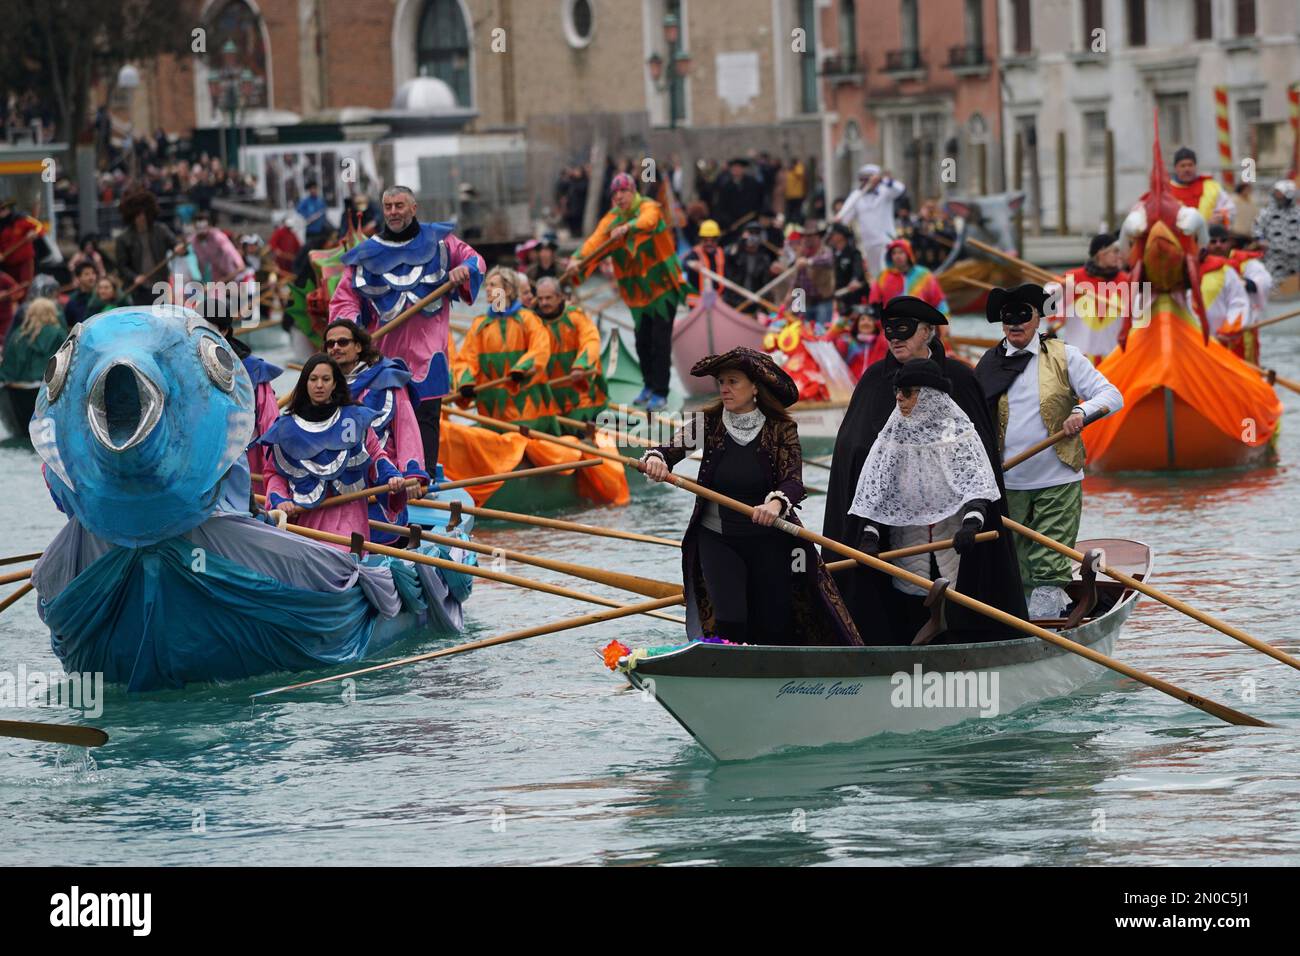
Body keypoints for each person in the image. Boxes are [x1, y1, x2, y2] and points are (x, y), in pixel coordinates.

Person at [823, 295, 1028, 638]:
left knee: (957, 587)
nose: (894, 338)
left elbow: (978, 460)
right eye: (888, 330)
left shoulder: (959, 379)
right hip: (894, 526)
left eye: (904, 329)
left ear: (929, 332)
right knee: (897, 594)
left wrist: (971, 511)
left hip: (953, 521)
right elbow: (854, 452)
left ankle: (971, 640)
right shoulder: (875, 381)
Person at [641, 347, 862, 647]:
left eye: (733, 381)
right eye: (721, 382)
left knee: (775, 621)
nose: (725, 389)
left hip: (770, 538)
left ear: (755, 386)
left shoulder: (782, 428)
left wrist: (775, 503)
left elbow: (793, 482)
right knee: (732, 619)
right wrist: (656, 460)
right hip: (717, 538)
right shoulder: (708, 423)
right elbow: (668, 451)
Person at [973, 283, 1123, 619]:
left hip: (1057, 478)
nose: (1015, 323)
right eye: (1008, 316)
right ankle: (1018, 622)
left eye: (1023, 315)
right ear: (1001, 323)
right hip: (1008, 482)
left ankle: (1044, 621)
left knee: (1048, 566)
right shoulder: (988, 364)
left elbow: (1113, 396)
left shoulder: (1064, 355)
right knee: (1013, 564)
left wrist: (1081, 413)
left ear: (1038, 317)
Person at [847, 359, 1005, 643]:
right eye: (897, 390)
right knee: (911, 613)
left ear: (929, 396)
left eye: (907, 392)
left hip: (952, 546)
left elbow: (977, 487)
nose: (898, 397)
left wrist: (971, 525)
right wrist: (869, 537)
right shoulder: (892, 435)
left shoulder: (959, 434)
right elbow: (877, 494)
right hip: (907, 549)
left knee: (955, 617)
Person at [329, 184, 484, 469]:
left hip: (429, 355)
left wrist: (467, 270)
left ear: (413, 208)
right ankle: (387, 475)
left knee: (426, 418)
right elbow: (344, 299)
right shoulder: (366, 254)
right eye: (388, 207)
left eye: (399, 206)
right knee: (383, 418)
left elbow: (476, 261)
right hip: (383, 357)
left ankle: (423, 477)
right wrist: (349, 329)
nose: (393, 212)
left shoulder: (442, 242)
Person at [259, 353, 408, 551]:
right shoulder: (286, 427)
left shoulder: (354, 418)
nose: (319, 385)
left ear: (335, 384)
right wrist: (280, 500)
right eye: (313, 379)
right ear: (305, 384)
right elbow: (274, 474)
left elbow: (375, 455)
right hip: (308, 524)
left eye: (326, 379)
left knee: (342, 555)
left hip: (351, 518)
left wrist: (392, 477)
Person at [562, 172, 685, 412]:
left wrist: (628, 227)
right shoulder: (611, 220)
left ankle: (661, 391)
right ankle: (648, 385)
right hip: (638, 295)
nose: (619, 196)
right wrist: (577, 260)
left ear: (633, 192)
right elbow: (594, 243)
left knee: (660, 343)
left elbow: (649, 221)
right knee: (642, 342)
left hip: (662, 288)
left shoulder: (649, 208)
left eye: (624, 191)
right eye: (615, 193)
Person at [324, 318, 427, 539]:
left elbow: (407, 430)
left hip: (382, 481)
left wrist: (411, 475)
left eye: (342, 342)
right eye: (330, 344)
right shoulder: (320, 385)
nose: (335, 348)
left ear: (358, 347)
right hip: (337, 485)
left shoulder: (387, 379)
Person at [452, 266, 557, 432]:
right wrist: (465, 382)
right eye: (486, 285)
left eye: (492, 285)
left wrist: (520, 369)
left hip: (526, 414)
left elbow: (540, 350)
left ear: (507, 290)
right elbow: (465, 359)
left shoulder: (528, 319)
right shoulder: (479, 325)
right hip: (492, 413)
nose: (487, 289)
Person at [1047, 232, 1131, 365]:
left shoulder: (1126, 280)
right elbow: (1046, 302)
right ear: (1101, 253)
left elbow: (1140, 316)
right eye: (1115, 252)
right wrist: (1060, 289)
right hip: (1080, 359)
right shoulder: (1073, 278)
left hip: (1115, 359)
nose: (1119, 256)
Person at [533, 276, 606, 422]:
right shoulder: (533, 322)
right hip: (549, 397)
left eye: (548, 298)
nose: (544, 303)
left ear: (560, 297)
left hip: (580, 394)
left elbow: (591, 341)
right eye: (540, 299)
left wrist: (581, 366)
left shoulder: (576, 316)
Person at [0, 296, 65, 430]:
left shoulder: (17, 335)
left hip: (15, 387)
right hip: (44, 388)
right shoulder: (58, 333)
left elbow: (7, 365)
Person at [115, 188, 186, 306]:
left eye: (143, 215)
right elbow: (122, 267)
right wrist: (135, 277)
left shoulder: (161, 230)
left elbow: (176, 245)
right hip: (138, 290)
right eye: (137, 215)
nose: (141, 218)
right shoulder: (123, 239)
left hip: (160, 285)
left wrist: (179, 248)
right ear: (131, 216)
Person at [836, 164, 906, 277]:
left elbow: (900, 188)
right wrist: (839, 218)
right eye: (863, 179)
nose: (866, 182)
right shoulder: (856, 196)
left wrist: (884, 180)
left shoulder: (886, 191)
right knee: (874, 275)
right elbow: (845, 217)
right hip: (868, 244)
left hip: (886, 240)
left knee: (886, 272)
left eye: (868, 178)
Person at [867, 238, 949, 333]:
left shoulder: (924, 275)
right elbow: (875, 304)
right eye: (894, 253)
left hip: (921, 327)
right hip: (893, 328)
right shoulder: (883, 277)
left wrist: (944, 321)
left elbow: (939, 301)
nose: (897, 256)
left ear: (909, 253)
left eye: (901, 252)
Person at [1197, 225, 1252, 342]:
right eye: (1213, 241)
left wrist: (1228, 331)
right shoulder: (1175, 271)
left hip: (1219, 344)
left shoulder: (1226, 271)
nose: (1218, 245)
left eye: (1223, 241)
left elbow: (1239, 304)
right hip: (1186, 345)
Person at [784, 222, 835, 330]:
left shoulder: (825, 251)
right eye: (806, 236)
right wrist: (790, 294)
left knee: (821, 333)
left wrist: (808, 262)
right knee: (804, 332)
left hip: (823, 301)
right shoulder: (801, 253)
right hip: (806, 301)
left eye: (811, 236)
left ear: (818, 237)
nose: (808, 239)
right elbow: (798, 279)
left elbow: (828, 260)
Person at [1167, 146, 1232, 227]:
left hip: (1209, 236)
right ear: (1176, 168)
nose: (1187, 169)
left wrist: (1221, 216)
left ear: (1195, 166)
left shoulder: (1211, 186)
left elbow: (1229, 208)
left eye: (1190, 165)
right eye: (1183, 166)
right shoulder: (1167, 191)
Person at [1252, 179, 1300, 285]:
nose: (1277, 195)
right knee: (1275, 284)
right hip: (1274, 257)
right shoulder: (1267, 213)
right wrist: (1260, 240)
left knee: (1294, 285)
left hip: (1296, 258)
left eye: (1280, 193)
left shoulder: (1298, 213)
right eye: (1276, 193)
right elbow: (1257, 228)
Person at [0, 198, 45, 300]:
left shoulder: (22, 219)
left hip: (25, 261)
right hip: (7, 265)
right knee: (12, 291)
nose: (1, 212)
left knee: (26, 287)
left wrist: (34, 233)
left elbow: (39, 226)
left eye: (3, 209)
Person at [712, 158, 765, 239]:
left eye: (738, 168)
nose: (736, 170)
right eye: (734, 168)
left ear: (743, 169)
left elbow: (759, 201)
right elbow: (721, 206)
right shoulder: (726, 186)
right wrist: (728, 222)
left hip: (749, 221)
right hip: (732, 224)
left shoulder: (753, 184)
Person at [725, 221, 776, 304]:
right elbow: (728, 255)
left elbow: (765, 282)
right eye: (751, 233)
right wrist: (741, 241)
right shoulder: (736, 252)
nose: (753, 237)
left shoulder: (764, 258)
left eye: (757, 234)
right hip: (733, 300)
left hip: (752, 303)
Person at [841, 305, 889, 380]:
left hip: (876, 385)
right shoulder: (848, 342)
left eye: (870, 320)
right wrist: (843, 320)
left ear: (875, 325)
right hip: (852, 388)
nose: (866, 322)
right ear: (857, 325)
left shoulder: (881, 343)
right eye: (862, 319)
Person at [828, 222, 868, 311]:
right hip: (838, 296)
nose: (831, 237)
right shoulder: (832, 253)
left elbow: (858, 268)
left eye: (833, 234)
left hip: (853, 294)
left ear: (841, 235)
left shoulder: (853, 252)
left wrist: (855, 279)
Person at [682, 219, 726, 292]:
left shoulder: (721, 253)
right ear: (700, 240)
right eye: (705, 240)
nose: (709, 244)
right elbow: (683, 264)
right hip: (697, 299)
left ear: (717, 239)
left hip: (718, 297)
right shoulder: (694, 254)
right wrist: (692, 265)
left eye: (712, 240)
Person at [63, 261, 100, 327]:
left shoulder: (101, 296)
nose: (91, 277)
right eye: (87, 274)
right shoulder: (73, 300)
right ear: (78, 278)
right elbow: (68, 325)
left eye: (93, 273)